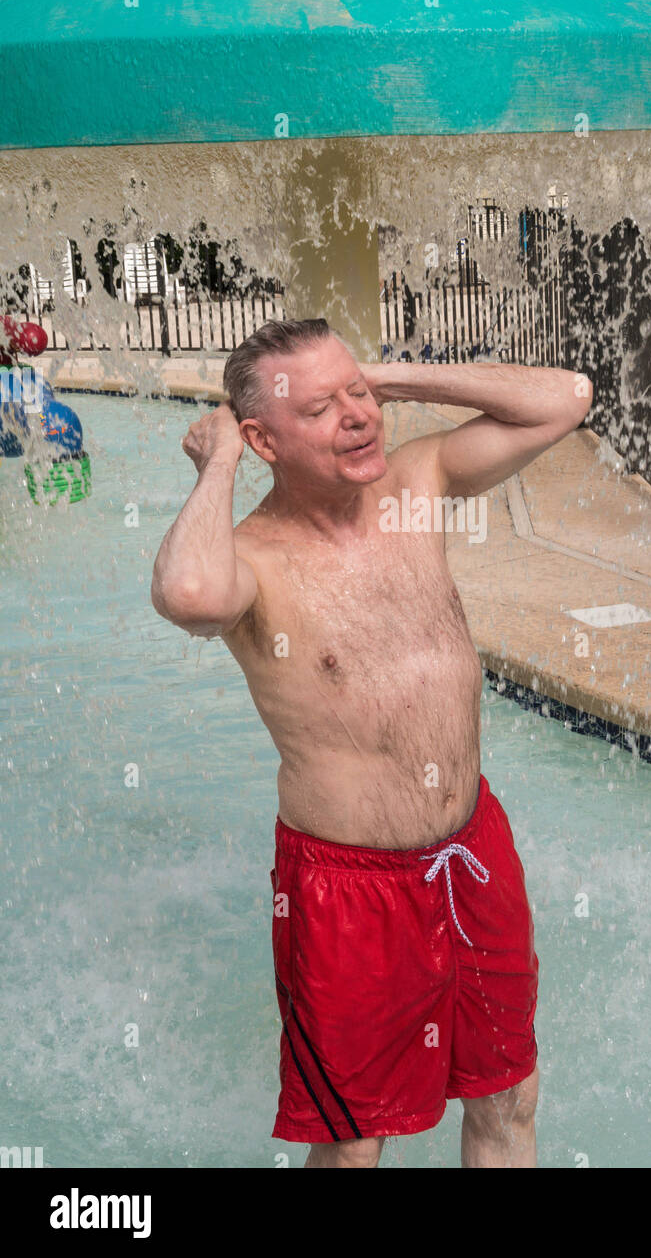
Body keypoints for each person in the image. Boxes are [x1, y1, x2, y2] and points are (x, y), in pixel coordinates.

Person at [151, 318, 593, 1168]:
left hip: (471, 853)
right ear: (262, 439)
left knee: (508, 1099)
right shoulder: (252, 557)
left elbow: (565, 400)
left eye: (359, 395)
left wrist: (387, 377)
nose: (358, 418)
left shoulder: (417, 480)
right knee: (357, 1141)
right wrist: (218, 466)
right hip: (347, 889)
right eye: (321, 409)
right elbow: (190, 594)